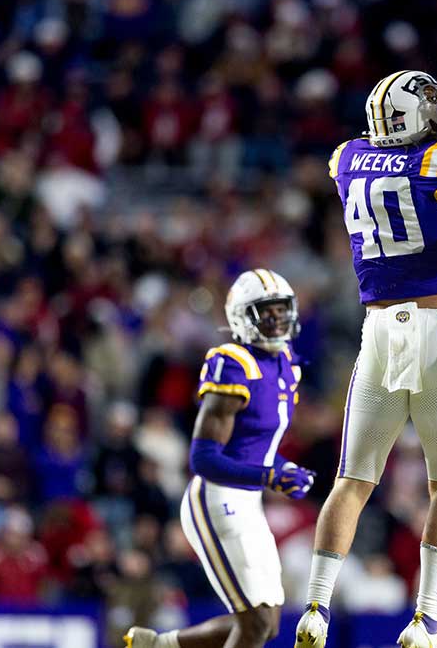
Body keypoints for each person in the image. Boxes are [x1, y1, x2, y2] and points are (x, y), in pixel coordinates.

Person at [293, 70, 437, 648]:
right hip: (434, 326)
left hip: (377, 330)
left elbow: (360, 161)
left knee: (351, 481)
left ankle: (316, 607)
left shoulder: (347, 160)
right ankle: (426, 620)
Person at [125, 270, 316, 648]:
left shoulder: (286, 363)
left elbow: (256, 448)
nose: (277, 319)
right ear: (242, 316)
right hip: (216, 499)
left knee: (267, 623)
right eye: (267, 311)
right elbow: (203, 458)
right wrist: (269, 477)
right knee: (254, 624)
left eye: (282, 310)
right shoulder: (233, 362)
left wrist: (283, 467)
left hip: (248, 501)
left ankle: (160, 645)